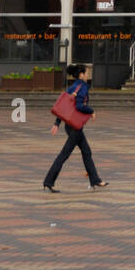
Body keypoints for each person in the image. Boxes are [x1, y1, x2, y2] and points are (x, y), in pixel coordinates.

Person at [43, 64, 107, 192]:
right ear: (81, 75)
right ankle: (49, 181)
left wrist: (57, 123)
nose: (88, 75)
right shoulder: (82, 87)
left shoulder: (73, 86)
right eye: (86, 73)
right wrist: (91, 111)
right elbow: (78, 106)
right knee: (64, 154)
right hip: (75, 127)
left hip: (70, 126)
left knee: (86, 152)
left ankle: (95, 180)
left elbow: (64, 106)